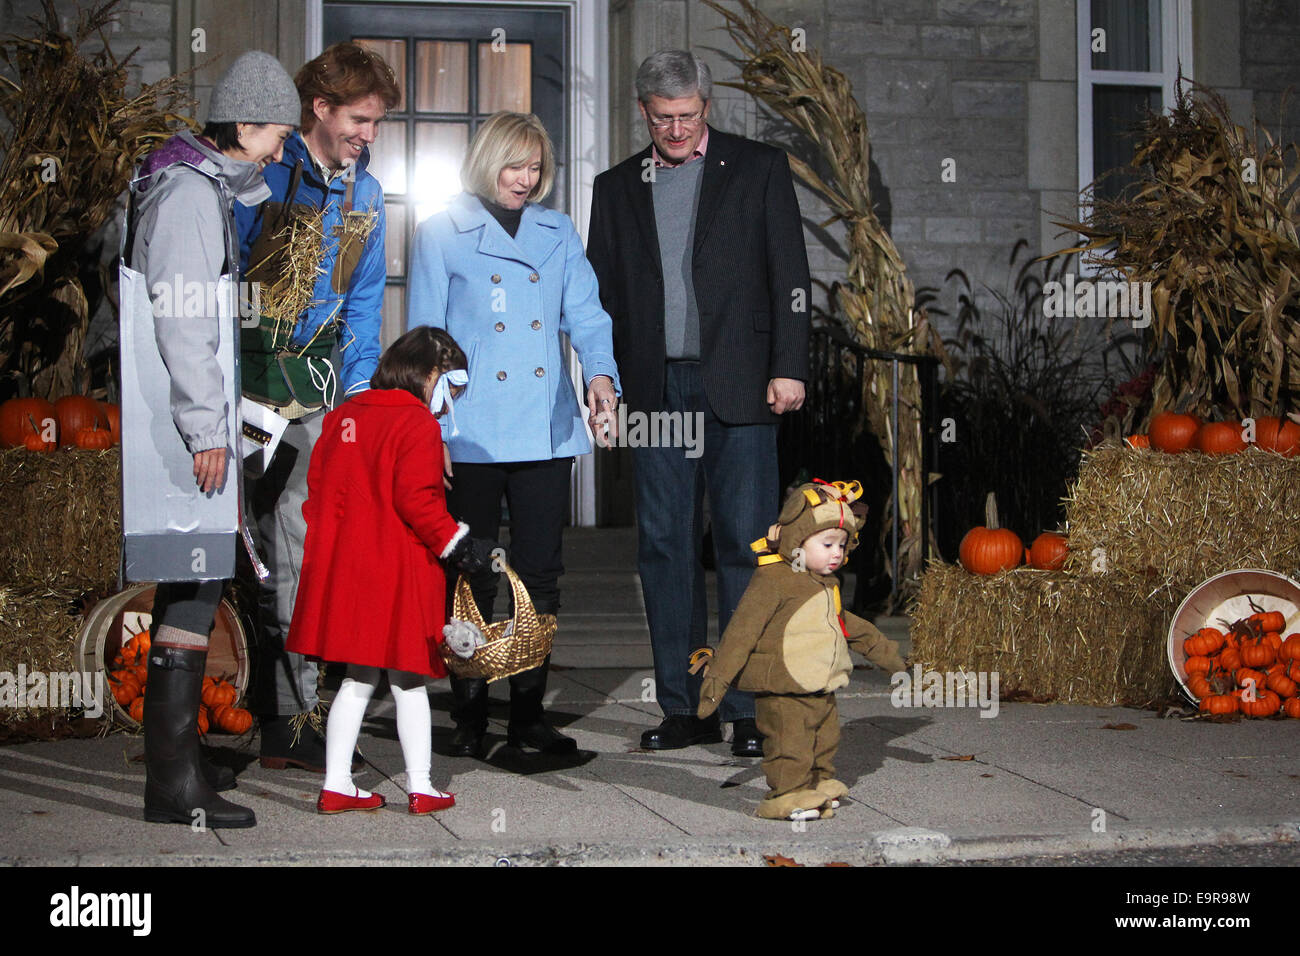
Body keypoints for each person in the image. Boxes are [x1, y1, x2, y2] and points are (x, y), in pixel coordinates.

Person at [586, 50, 811, 756]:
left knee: (747, 545)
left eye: (688, 116)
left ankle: (745, 709)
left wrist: (789, 367)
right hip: (657, 389)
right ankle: (686, 707)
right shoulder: (616, 186)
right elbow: (603, 299)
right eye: (663, 119)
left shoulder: (758, 167)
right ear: (644, 113)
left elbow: (790, 275)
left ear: (705, 107)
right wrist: (609, 386)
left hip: (742, 383)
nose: (677, 130)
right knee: (664, 547)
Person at [408, 111, 621, 758]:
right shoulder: (441, 232)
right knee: (472, 576)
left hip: (545, 428)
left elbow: (586, 313)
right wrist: (433, 430)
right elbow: (427, 341)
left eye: (534, 167)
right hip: (469, 432)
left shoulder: (558, 232)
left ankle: (527, 714)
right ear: (486, 161)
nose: (525, 179)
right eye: (513, 165)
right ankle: (470, 718)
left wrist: (603, 377)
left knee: (542, 573)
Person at [127, 51, 300, 827]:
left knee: (189, 579)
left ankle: (179, 765)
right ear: (244, 124)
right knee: (194, 580)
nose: (285, 147)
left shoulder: (189, 183)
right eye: (278, 132)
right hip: (184, 424)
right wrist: (207, 426)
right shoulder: (192, 197)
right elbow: (185, 317)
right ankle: (171, 784)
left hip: (185, 417)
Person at [234, 42, 400, 772]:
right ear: (320, 109)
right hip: (244, 386)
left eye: (377, 122)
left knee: (305, 555)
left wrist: (359, 401)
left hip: (319, 394)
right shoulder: (268, 175)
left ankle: (297, 718)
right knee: (242, 553)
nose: (368, 133)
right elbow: (225, 277)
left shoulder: (366, 195)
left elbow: (363, 309)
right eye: (359, 118)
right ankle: (241, 700)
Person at [286, 327, 491, 814]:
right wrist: (459, 543)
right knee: (409, 681)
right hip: (398, 572)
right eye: (450, 391)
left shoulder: (342, 418)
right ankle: (422, 787)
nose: (447, 406)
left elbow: (318, 497)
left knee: (356, 680)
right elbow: (416, 499)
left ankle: (338, 783)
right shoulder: (418, 425)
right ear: (433, 375)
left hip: (347, 571)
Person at [697, 481, 907, 820]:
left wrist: (888, 655)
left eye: (842, 544)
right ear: (797, 541)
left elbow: (847, 624)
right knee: (788, 743)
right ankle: (784, 796)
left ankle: (818, 783)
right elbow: (742, 630)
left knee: (825, 739)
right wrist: (719, 677)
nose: (837, 553)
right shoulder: (774, 579)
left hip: (820, 684)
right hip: (782, 686)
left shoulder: (825, 583)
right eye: (827, 544)